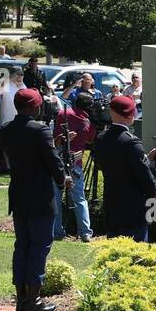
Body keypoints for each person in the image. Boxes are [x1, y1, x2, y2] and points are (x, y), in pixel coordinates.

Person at [0, 89, 68, 311]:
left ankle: (21, 300)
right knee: (39, 247)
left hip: (18, 194)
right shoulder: (41, 130)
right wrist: (63, 178)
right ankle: (33, 300)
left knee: (22, 245)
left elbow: (26, 153)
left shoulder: (6, 129)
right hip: (39, 197)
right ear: (33, 107)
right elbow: (52, 162)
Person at [90, 95, 156, 241]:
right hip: (134, 209)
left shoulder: (101, 138)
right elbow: (144, 177)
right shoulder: (131, 142)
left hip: (111, 207)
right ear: (131, 115)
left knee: (114, 255)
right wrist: (155, 192)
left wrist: (144, 158)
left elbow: (116, 165)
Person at [52, 92, 96, 242]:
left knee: (56, 196)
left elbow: (55, 138)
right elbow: (91, 139)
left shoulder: (63, 113)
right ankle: (85, 233)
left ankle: (57, 231)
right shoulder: (88, 121)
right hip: (75, 163)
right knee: (80, 198)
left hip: (59, 161)